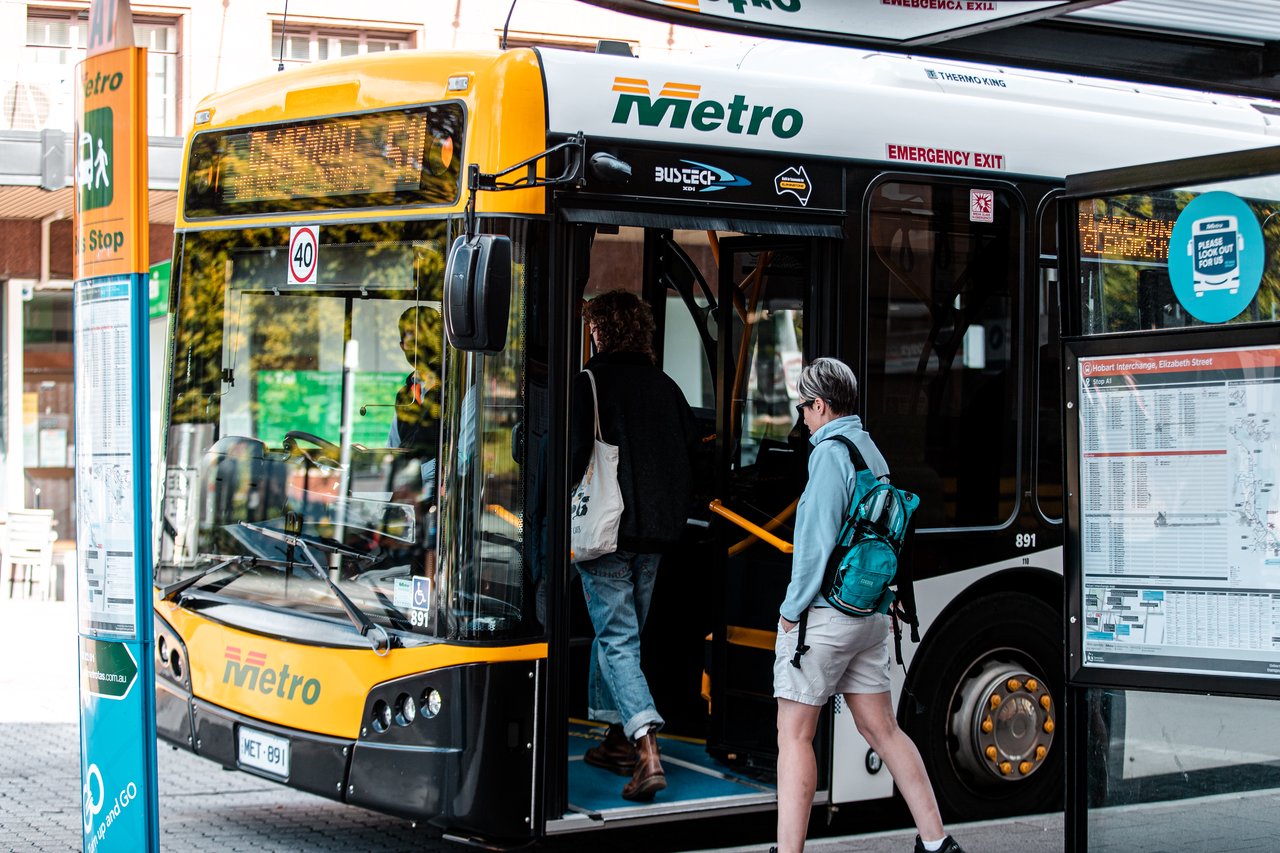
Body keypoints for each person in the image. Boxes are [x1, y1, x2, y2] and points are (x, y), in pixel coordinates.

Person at [772, 358, 964, 853]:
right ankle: (937, 842)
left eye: (804, 408)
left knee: (794, 736)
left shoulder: (829, 454)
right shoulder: (870, 451)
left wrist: (792, 611)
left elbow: (815, 543)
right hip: (872, 616)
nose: (803, 418)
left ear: (820, 404)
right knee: (883, 728)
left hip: (827, 617)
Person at [570, 290, 698, 802]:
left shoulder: (590, 382)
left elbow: (573, 452)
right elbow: (692, 449)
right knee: (621, 639)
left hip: (605, 533)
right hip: (657, 536)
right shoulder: (665, 386)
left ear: (599, 331)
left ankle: (646, 750)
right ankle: (616, 740)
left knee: (617, 641)